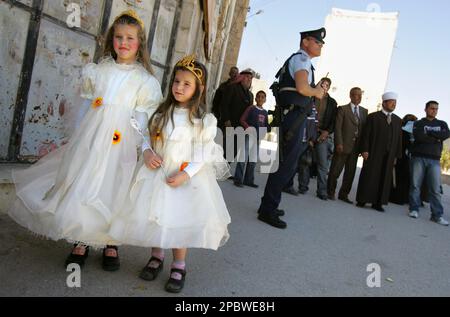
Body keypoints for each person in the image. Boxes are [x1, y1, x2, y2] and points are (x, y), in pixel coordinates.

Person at [8, 10, 163, 271]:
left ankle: (110, 240)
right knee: (84, 183)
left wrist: (143, 148)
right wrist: (78, 137)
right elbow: (85, 108)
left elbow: (141, 119)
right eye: (118, 37)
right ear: (111, 40)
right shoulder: (98, 71)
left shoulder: (145, 82)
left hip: (121, 142)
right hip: (92, 139)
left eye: (129, 38)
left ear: (140, 43)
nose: (123, 43)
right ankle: (81, 238)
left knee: (115, 187)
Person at [108, 55, 231, 293]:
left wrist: (187, 174)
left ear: (199, 88)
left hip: (183, 179)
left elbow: (204, 152)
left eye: (187, 84)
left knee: (178, 221)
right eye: (176, 81)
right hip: (157, 174)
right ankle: (156, 256)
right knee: (156, 216)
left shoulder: (203, 120)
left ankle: (179, 264)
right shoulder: (160, 113)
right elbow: (145, 137)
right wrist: (146, 153)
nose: (179, 87)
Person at [257, 27, 327, 229]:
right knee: (285, 165)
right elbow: (303, 88)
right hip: (293, 117)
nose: (320, 45)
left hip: (292, 116)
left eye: (321, 43)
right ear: (305, 42)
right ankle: (268, 209)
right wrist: (317, 92)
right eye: (317, 41)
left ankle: (268, 205)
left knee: (283, 164)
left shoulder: (302, 60)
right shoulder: (302, 59)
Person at [356, 92, 402, 212]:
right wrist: (365, 149)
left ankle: (378, 203)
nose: (393, 104)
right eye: (391, 102)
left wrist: (396, 155)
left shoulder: (397, 120)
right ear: (384, 103)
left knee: (384, 178)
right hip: (373, 152)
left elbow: (399, 140)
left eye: (395, 103)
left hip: (389, 154)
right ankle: (363, 199)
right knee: (369, 175)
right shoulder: (373, 117)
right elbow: (366, 135)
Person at [408, 101, 450, 225]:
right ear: (425, 109)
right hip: (418, 157)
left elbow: (446, 134)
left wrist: (430, 133)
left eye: (436, 109)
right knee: (415, 185)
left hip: (435, 160)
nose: (434, 111)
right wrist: (436, 137)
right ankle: (414, 209)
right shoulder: (418, 123)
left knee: (435, 188)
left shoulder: (442, 123)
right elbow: (419, 137)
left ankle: (437, 215)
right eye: (432, 108)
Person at [297, 77, 337, 200]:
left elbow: (333, 121)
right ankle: (303, 187)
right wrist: (309, 135)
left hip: (323, 135)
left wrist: (326, 132)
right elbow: (304, 114)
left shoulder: (332, 102)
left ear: (329, 88)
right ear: (319, 84)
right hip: (309, 132)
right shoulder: (311, 97)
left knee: (323, 164)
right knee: (305, 161)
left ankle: (321, 191)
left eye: (327, 85)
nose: (324, 86)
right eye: (322, 84)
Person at [327, 87, 368, 203]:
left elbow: (364, 130)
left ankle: (343, 195)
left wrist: (363, 148)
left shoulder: (364, 111)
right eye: (356, 95)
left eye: (360, 95)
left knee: (350, 173)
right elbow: (338, 128)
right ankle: (330, 192)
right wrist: (339, 143)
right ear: (350, 96)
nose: (358, 97)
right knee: (335, 171)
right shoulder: (343, 109)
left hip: (356, 148)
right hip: (343, 145)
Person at [234, 90, 271, 188]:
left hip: (258, 139)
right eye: (258, 96)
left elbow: (266, 125)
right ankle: (238, 179)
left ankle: (248, 180)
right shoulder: (251, 108)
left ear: (265, 100)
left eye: (263, 97)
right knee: (243, 157)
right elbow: (242, 119)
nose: (260, 98)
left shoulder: (265, 112)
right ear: (255, 98)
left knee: (253, 160)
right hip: (249, 136)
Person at [389, 114, 417, 205]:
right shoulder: (408, 132)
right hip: (402, 158)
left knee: (399, 177)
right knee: (401, 178)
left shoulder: (402, 130)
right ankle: (400, 198)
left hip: (402, 157)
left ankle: (398, 197)